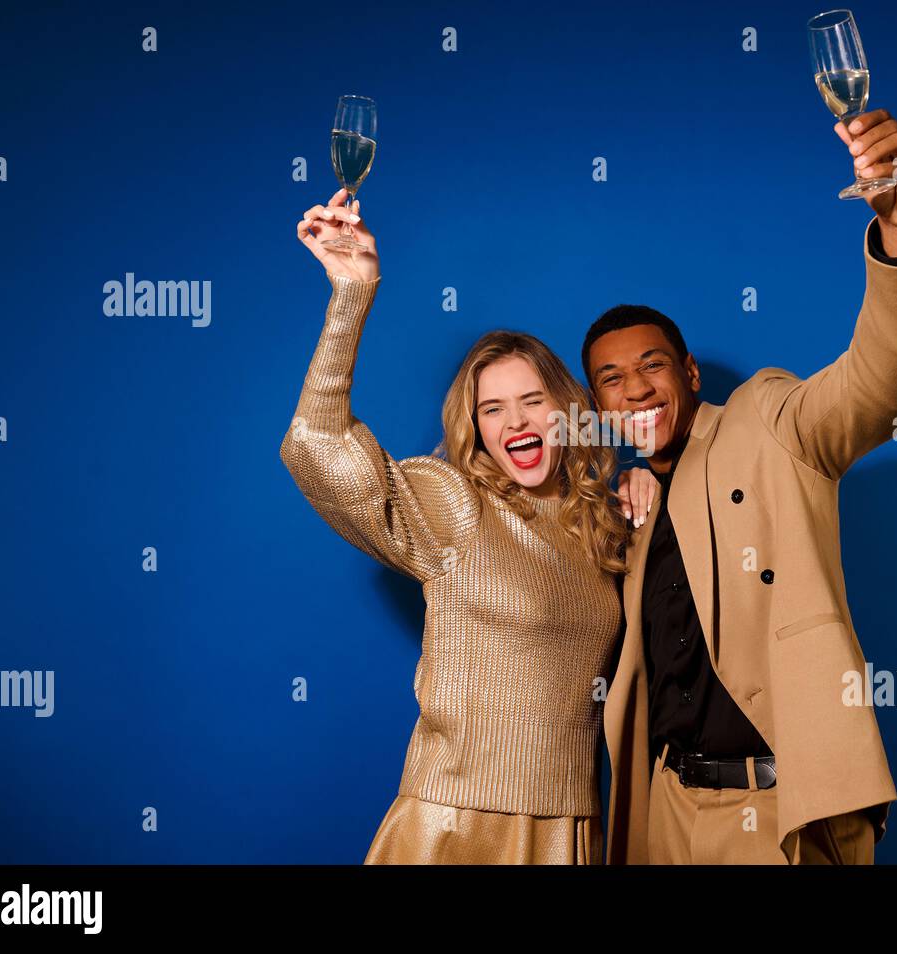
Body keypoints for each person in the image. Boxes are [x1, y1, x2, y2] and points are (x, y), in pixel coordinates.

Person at [590, 109, 897, 864]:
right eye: (611, 379)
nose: (634, 389)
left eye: (653, 366)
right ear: (597, 407)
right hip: (662, 808)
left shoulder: (767, 420)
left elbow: (876, 388)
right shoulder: (622, 507)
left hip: (773, 809)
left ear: (691, 375)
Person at [280, 189, 653, 864]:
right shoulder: (454, 503)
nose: (515, 424)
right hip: (457, 823)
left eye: (533, 402)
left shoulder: (601, 527)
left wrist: (654, 476)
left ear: (567, 411)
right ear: (475, 428)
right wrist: (351, 296)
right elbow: (317, 446)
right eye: (493, 410)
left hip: (568, 824)